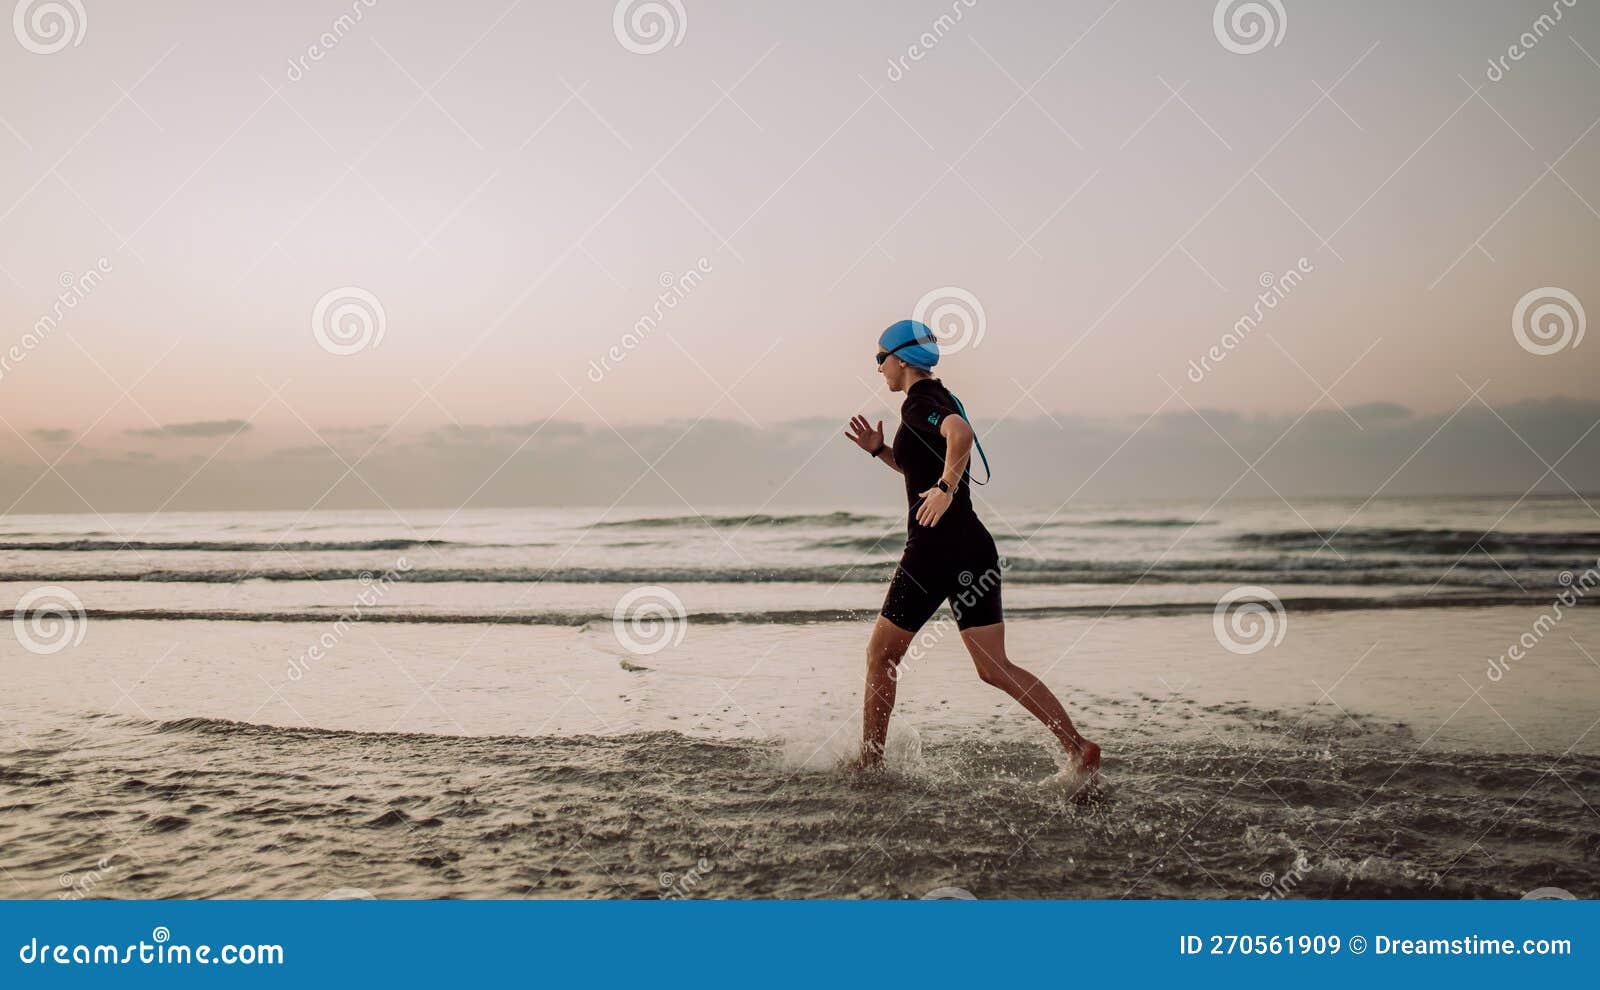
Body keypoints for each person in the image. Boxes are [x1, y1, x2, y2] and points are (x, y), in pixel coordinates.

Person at [844, 319, 1101, 794]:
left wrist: (945, 488)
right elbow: (923, 461)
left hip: (934, 550)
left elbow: (960, 434)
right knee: (994, 667)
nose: (878, 369)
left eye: (880, 359)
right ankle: (1077, 746)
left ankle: (870, 764)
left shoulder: (921, 402)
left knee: (881, 655)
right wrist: (880, 450)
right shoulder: (935, 399)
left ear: (900, 359)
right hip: (971, 549)